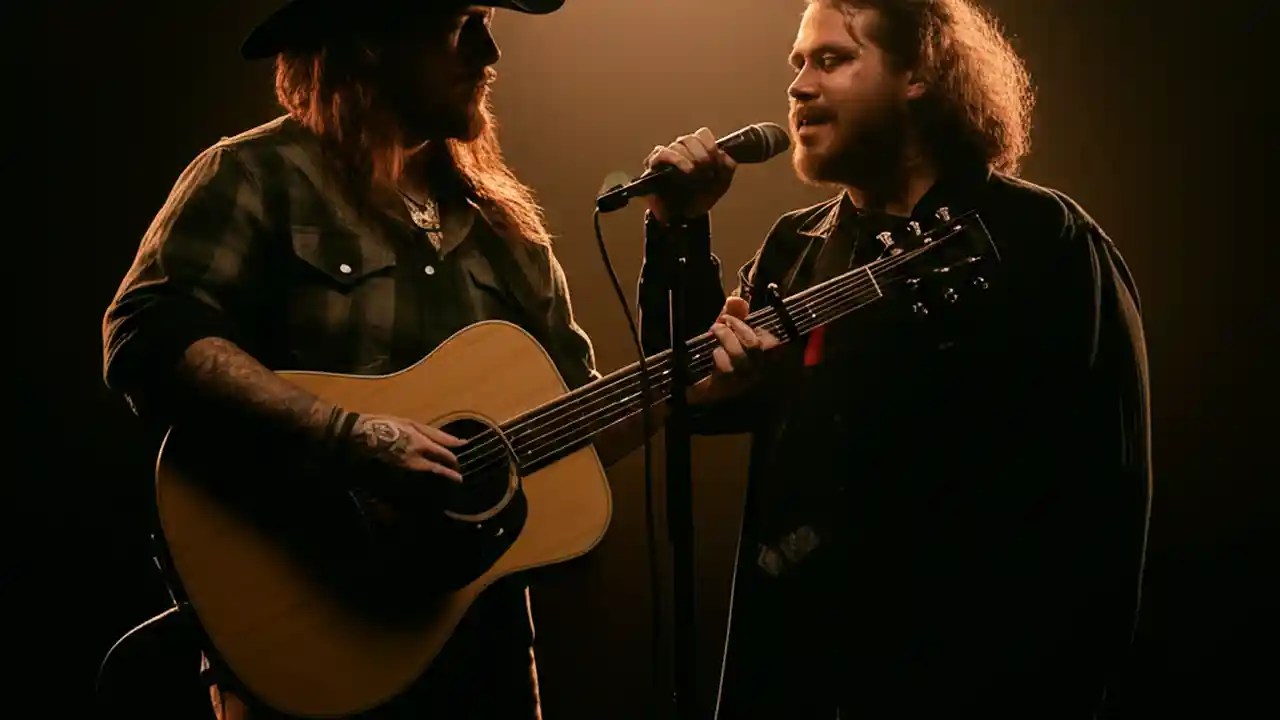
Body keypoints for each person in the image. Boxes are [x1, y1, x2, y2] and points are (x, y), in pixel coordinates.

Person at [100, 1, 755, 717]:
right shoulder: (253, 175)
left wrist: (685, 384)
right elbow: (146, 335)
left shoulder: (506, 232)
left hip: (484, 660)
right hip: (304, 642)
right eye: (460, 24)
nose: (488, 51)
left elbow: (577, 430)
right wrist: (347, 437)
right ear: (374, 41)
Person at [636, 0, 1152, 717]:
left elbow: (1102, 504)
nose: (798, 86)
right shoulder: (796, 245)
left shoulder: (1043, 237)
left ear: (918, 71)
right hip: (796, 675)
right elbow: (692, 401)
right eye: (797, 64)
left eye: (832, 59)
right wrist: (680, 232)